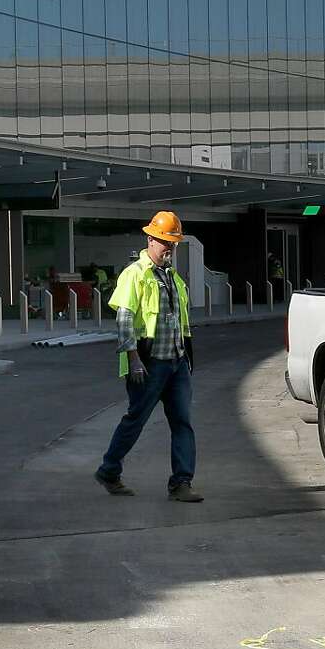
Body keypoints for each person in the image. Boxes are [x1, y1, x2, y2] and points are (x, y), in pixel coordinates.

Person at [95, 211, 201, 502]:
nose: (170, 248)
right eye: (166, 241)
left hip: (177, 362)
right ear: (150, 239)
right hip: (148, 363)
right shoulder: (135, 274)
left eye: (173, 243)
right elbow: (124, 320)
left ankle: (181, 483)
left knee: (182, 422)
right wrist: (133, 359)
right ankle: (109, 471)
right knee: (135, 420)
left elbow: (181, 321)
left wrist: (186, 358)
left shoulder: (173, 278)